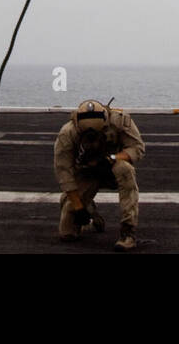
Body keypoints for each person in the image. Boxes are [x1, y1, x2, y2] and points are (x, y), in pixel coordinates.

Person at [54, 99, 145, 251]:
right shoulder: (67, 133)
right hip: (86, 172)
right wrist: (78, 207)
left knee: (125, 170)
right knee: (67, 234)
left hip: (113, 168)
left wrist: (112, 159)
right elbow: (64, 172)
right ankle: (87, 208)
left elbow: (137, 148)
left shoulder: (121, 121)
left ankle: (128, 231)